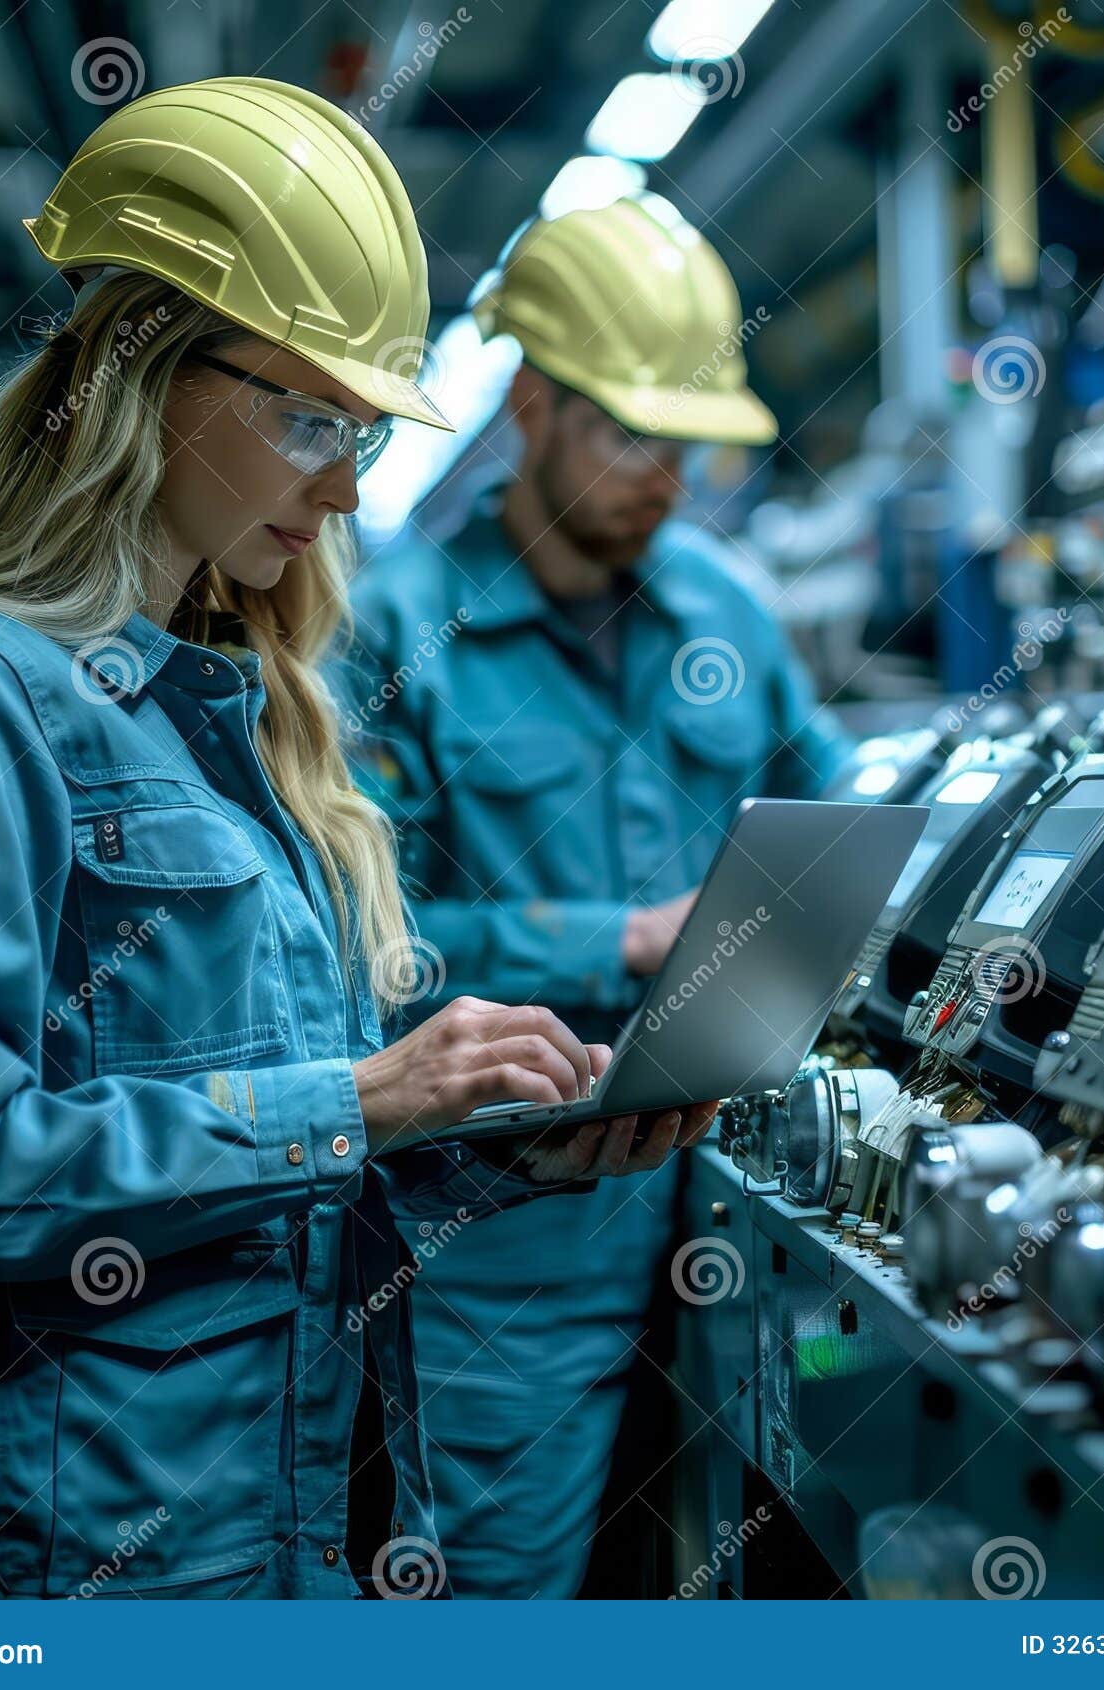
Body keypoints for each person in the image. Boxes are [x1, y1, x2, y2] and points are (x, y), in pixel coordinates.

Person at [0, 80, 713, 1601]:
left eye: (355, 433)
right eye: (308, 416)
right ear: (147, 370)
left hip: (285, 1526)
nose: (341, 487)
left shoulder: (241, 716)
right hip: (70, 1555)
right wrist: (358, 1092)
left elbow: (283, 1170)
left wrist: (491, 1146)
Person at [350, 197, 852, 1598]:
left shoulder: (728, 612)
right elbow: (357, 952)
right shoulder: (402, 633)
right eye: (629, 433)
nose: (664, 478)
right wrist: (616, 939)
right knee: (499, 1596)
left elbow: (845, 817)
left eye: (683, 443)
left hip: (740, 1197)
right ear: (527, 404)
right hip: (514, 1240)